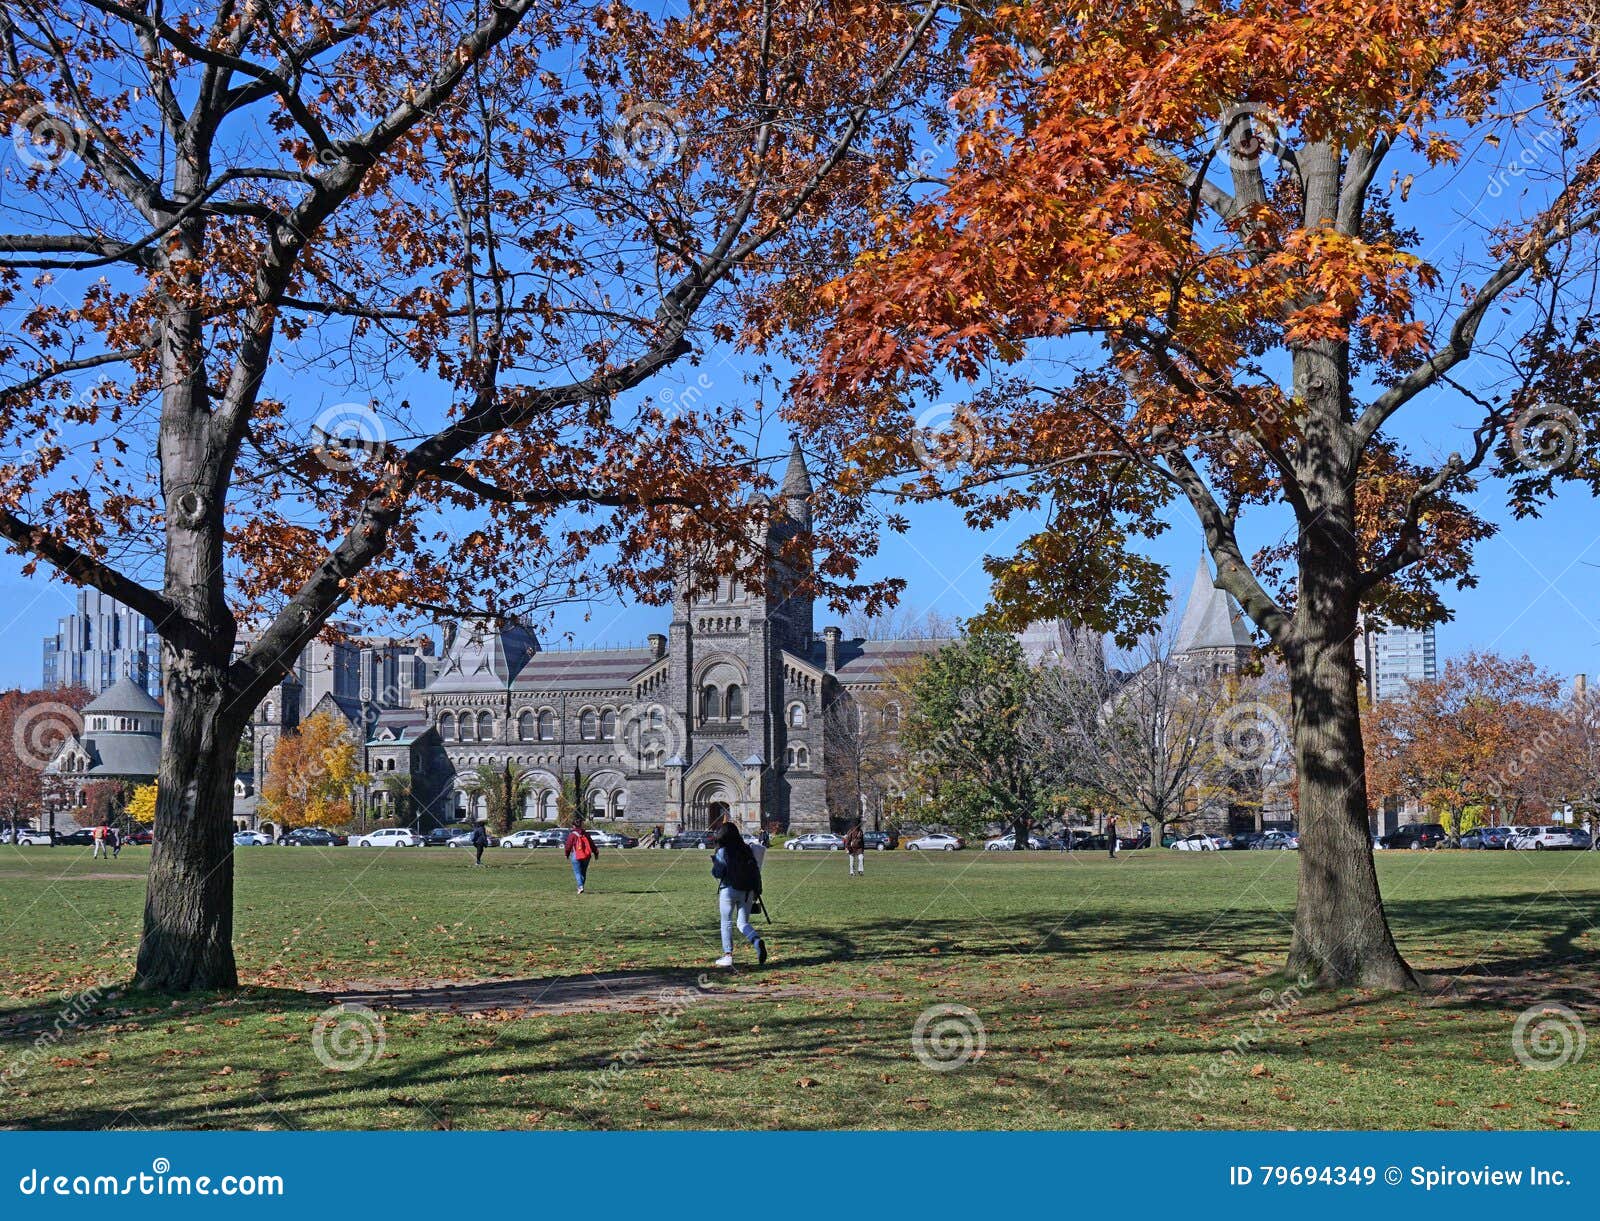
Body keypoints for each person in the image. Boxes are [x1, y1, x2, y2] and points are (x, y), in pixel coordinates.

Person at [710, 822, 767, 968]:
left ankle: (728, 955)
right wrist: (757, 891)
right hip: (747, 891)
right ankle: (756, 940)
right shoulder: (747, 850)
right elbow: (755, 870)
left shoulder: (723, 851)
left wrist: (714, 863)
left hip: (728, 890)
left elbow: (718, 873)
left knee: (726, 922)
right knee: (743, 923)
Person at [564, 818, 598, 893]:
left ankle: (580, 886)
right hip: (586, 855)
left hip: (576, 855)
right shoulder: (586, 834)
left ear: (573, 826)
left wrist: (566, 854)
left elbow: (568, 845)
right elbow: (592, 844)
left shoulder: (572, 835)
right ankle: (581, 886)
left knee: (577, 872)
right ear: (581, 825)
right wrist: (596, 853)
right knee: (583, 872)